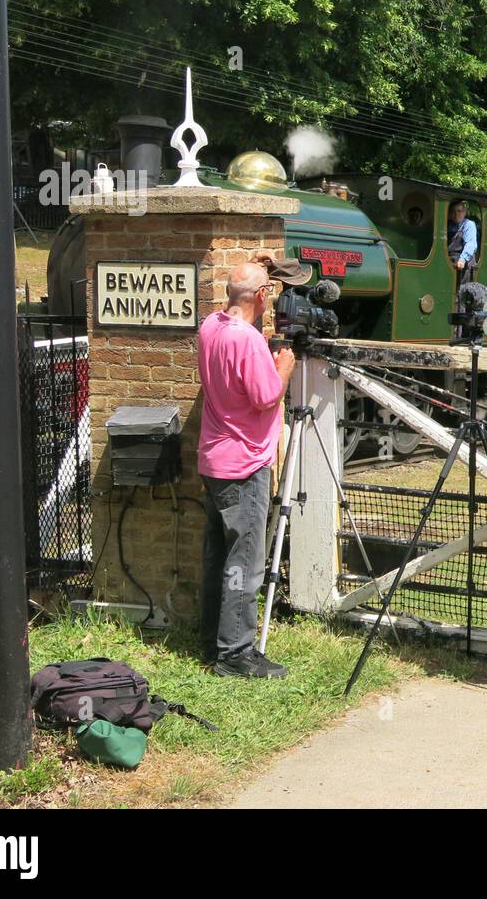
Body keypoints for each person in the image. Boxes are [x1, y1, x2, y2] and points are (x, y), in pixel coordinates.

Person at [197, 259, 299, 679]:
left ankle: (213, 639)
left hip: (214, 457)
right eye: (269, 292)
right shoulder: (249, 341)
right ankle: (236, 652)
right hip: (245, 461)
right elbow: (265, 396)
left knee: (218, 554)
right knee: (246, 561)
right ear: (261, 296)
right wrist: (285, 368)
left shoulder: (209, 327)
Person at [446, 199, 478, 284]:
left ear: (465, 212)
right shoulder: (448, 225)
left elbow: (471, 244)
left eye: (459, 211)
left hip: (463, 265)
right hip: (449, 261)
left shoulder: (469, 225)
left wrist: (462, 260)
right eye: (454, 211)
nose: (457, 214)